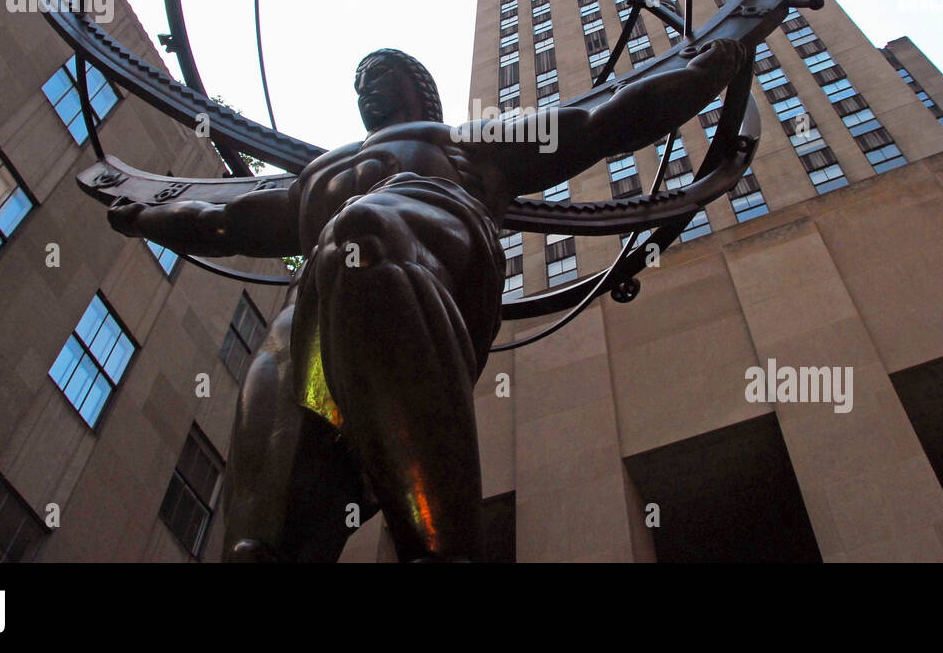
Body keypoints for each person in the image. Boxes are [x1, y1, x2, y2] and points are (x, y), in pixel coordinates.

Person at [108, 39, 743, 561]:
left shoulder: (460, 140)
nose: (367, 91)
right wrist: (147, 218)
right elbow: (232, 220)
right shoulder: (317, 175)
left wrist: (709, 69)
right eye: (359, 86)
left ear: (419, 88)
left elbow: (598, 124)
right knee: (258, 541)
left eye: (380, 76)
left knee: (360, 237)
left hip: (430, 250)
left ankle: (442, 550)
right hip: (314, 310)